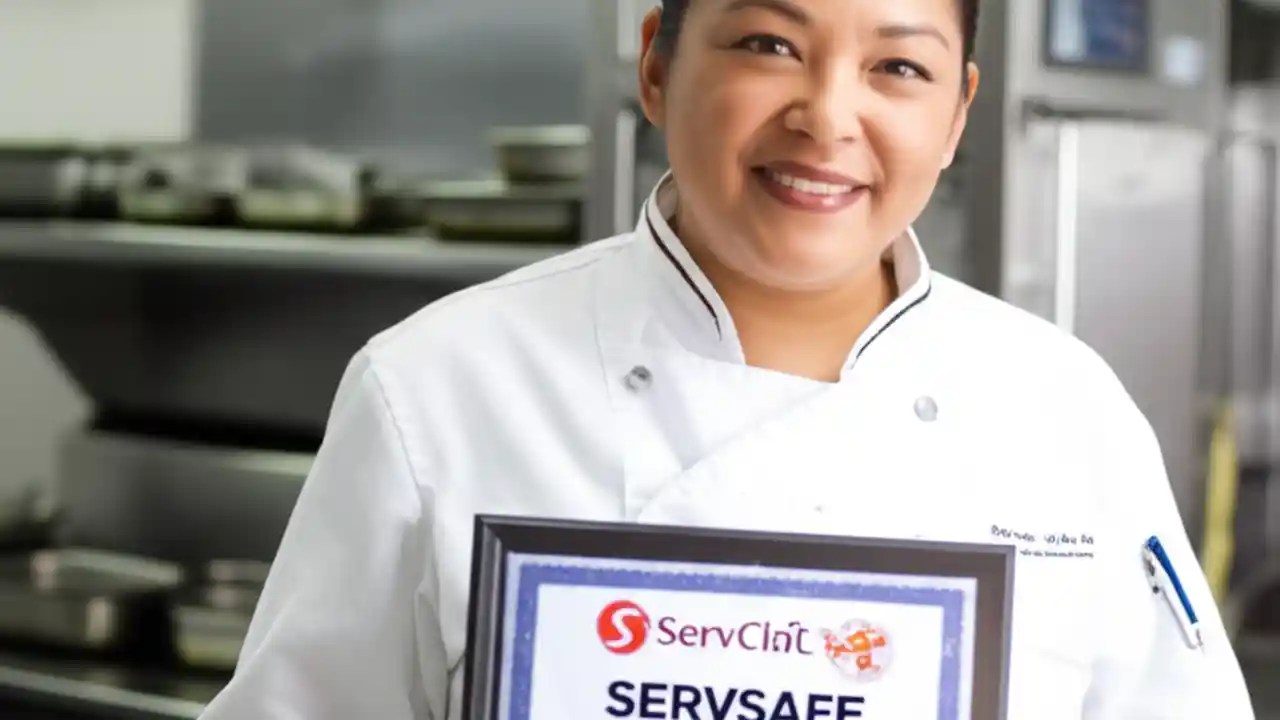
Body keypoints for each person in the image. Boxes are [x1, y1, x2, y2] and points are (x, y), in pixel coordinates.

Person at [199, 0, 1256, 717]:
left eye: (895, 66)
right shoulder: (437, 386)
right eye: (767, 44)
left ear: (954, 116)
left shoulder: (1064, 408)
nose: (826, 116)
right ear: (656, 63)